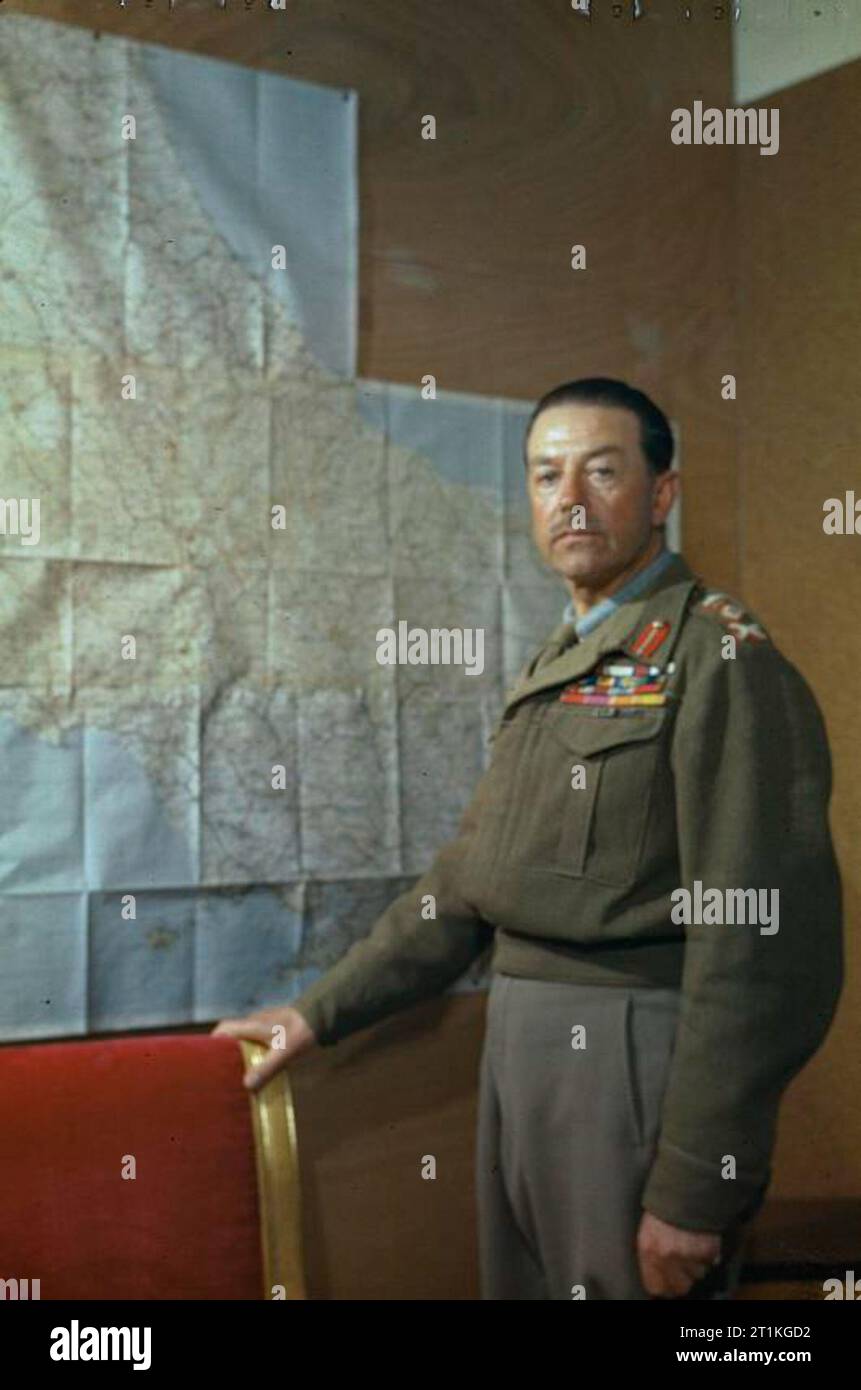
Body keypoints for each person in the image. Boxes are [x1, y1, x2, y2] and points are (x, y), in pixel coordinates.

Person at [213, 377, 843, 1300]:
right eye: (546, 477)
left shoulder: (717, 658)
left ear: (661, 494)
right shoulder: (563, 660)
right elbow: (468, 882)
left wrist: (696, 1186)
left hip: (630, 1060)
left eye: (601, 470)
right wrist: (321, 1011)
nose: (570, 499)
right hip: (521, 1045)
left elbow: (759, 943)